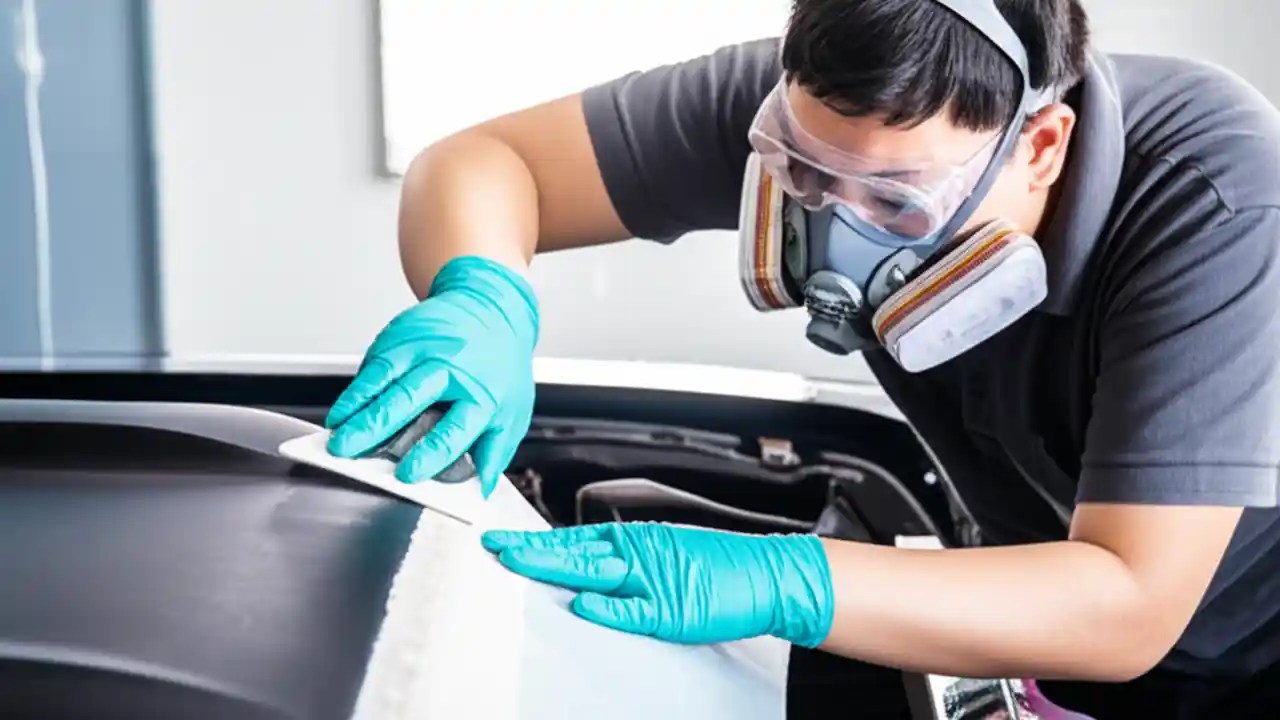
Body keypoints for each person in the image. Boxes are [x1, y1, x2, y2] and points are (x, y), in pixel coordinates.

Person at [323, 0, 1280, 716]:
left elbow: (1128, 600)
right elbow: (487, 162)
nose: (834, 226)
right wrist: (483, 295)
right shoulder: (821, 104)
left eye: (896, 200)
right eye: (805, 173)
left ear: (1041, 146)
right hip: (1039, 620)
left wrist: (787, 581)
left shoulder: (1219, 199)